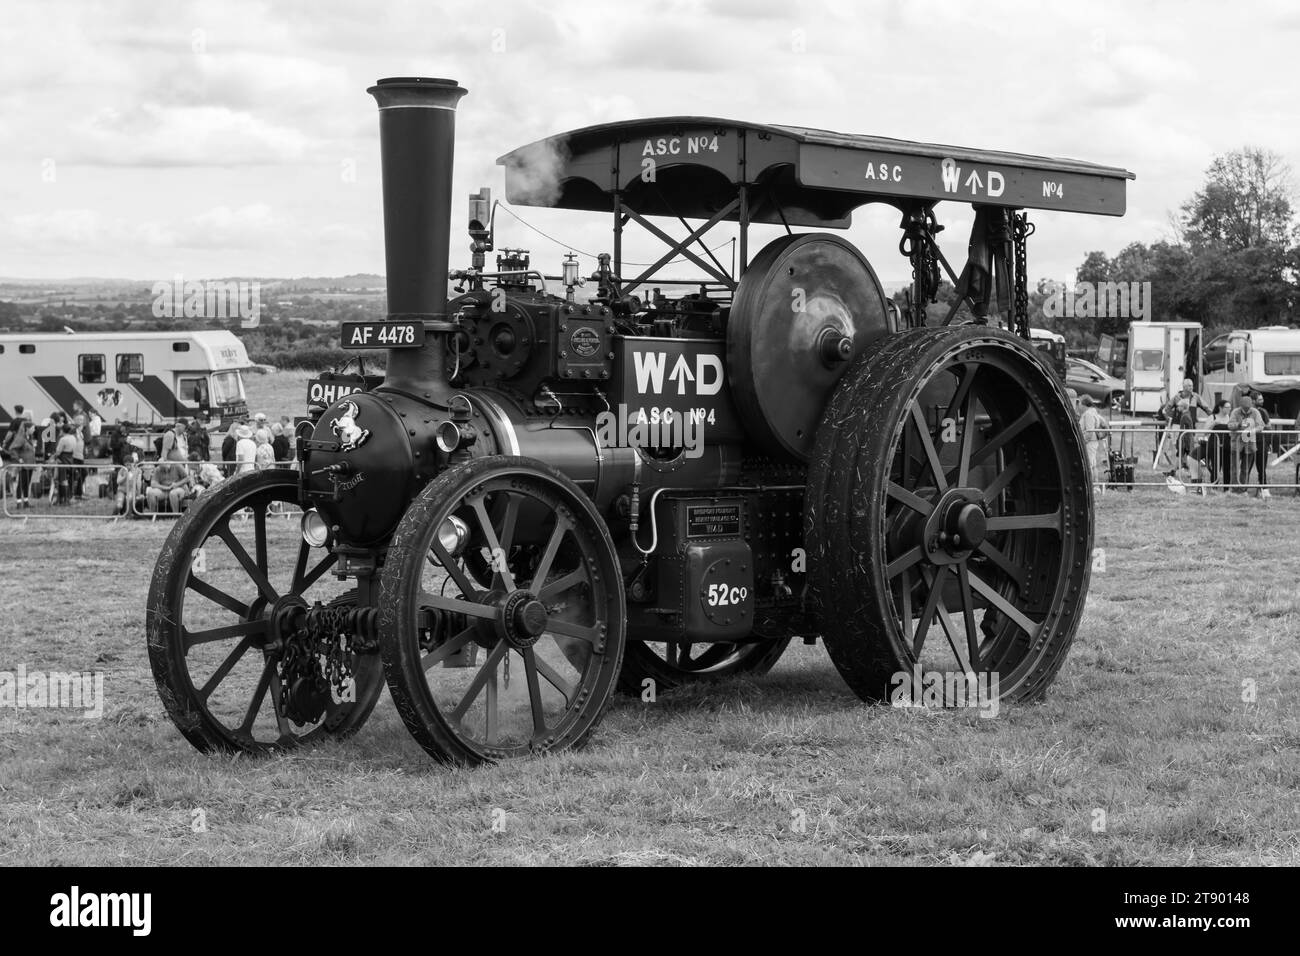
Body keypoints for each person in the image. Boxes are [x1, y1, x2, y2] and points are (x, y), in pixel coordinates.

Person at [1228, 393, 1264, 496]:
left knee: (1245, 469)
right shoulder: (1235, 412)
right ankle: (1234, 489)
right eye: (1244, 408)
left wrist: (1252, 431)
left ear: (1251, 405)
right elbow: (1230, 425)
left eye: (1248, 408)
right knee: (1234, 468)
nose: (1247, 410)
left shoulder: (1255, 412)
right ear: (1241, 406)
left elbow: (1261, 426)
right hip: (1236, 444)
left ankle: (1243, 490)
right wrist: (1239, 425)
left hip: (1250, 445)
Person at [3, 419, 37, 507]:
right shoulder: (21, 439)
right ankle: (18, 503)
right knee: (21, 483)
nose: (34, 430)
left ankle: (26, 501)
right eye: (32, 428)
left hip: (30, 464)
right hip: (23, 465)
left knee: (27, 483)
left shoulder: (29, 438)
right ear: (27, 429)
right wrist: (19, 459)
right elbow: (12, 449)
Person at [1078, 395, 1109, 492]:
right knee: (1092, 464)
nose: (1078, 406)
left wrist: (1082, 443)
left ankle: (1093, 487)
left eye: (1079, 403)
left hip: (1089, 442)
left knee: (1090, 464)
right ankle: (1094, 486)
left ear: (1083, 404)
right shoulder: (1093, 412)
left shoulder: (1088, 414)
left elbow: (1089, 431)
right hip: (1092, 442)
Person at [1205, 399, 1232, 485]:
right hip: (1214, 445)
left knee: (1227, 468)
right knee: (1216, 467)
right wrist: (1213, 423)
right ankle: (1214, 487)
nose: (1229, 409)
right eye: (1227, 407)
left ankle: (1226, 488)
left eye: (1230, 407)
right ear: (1220, 408)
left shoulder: (1229, 417)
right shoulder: (1212, 417)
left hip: (1227, 445)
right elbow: (1205, 432)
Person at [1252, 393, 1272, 494]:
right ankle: (1242, 490)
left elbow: (1269, 426)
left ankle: (1263, 488)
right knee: (1245, 467)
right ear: (1253, 401)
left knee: (1261, 467)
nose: (1262, 401)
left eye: (1262, 399)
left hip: (1261, 442)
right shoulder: (1246, 412)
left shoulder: (1263, 411)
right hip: (1248, 442)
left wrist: (1260, 427)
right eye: (1260, 399)